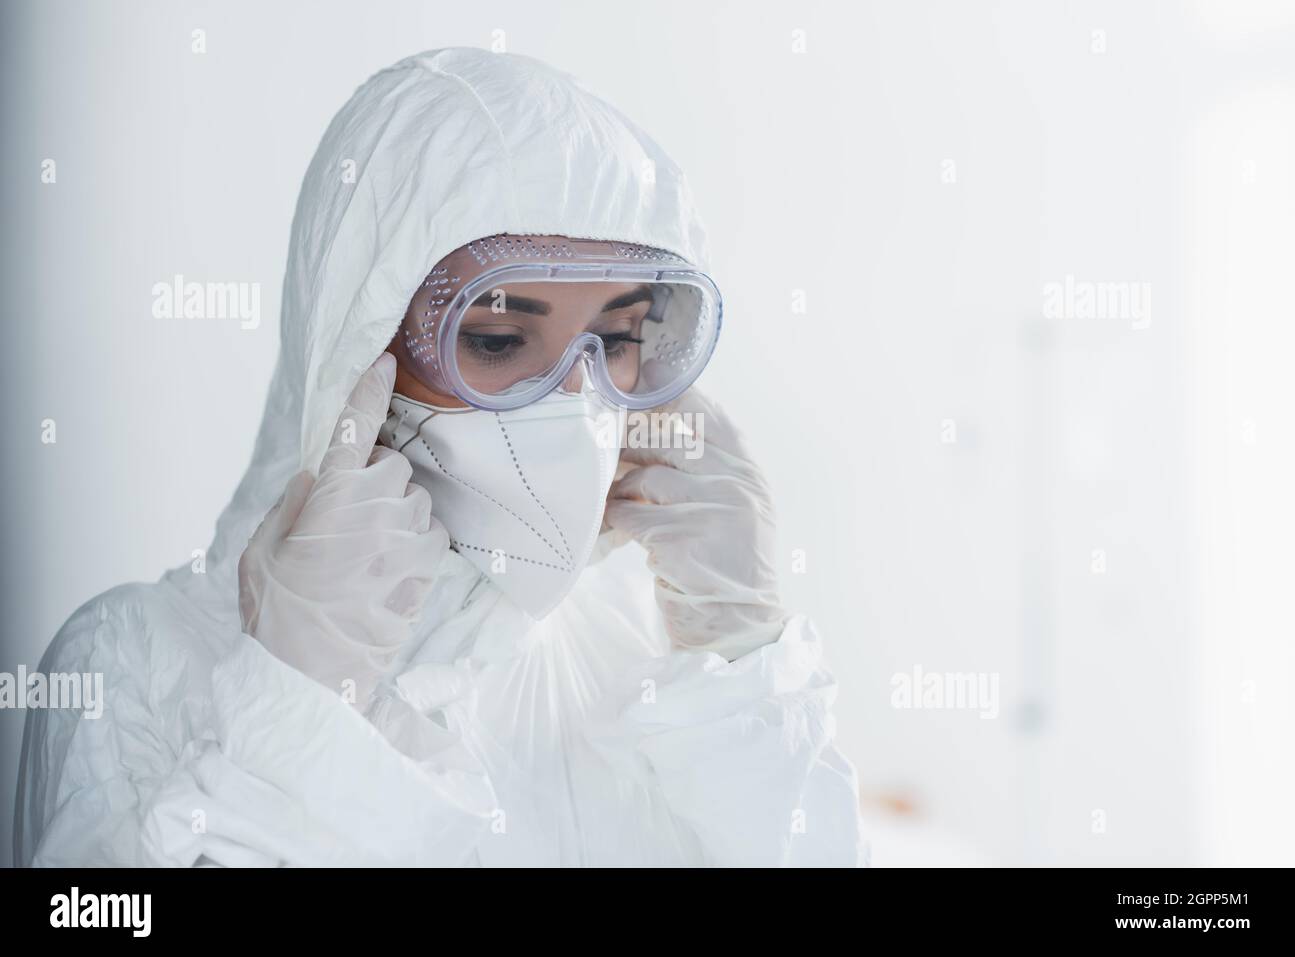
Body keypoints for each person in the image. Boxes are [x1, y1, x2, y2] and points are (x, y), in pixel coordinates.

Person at [15, 48, 868, 867]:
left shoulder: (648, 657)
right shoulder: (133, 658)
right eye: (496, 338)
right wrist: (295, 713)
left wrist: (744, 672)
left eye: (613, 339)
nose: (573, 409)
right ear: (357, 333)